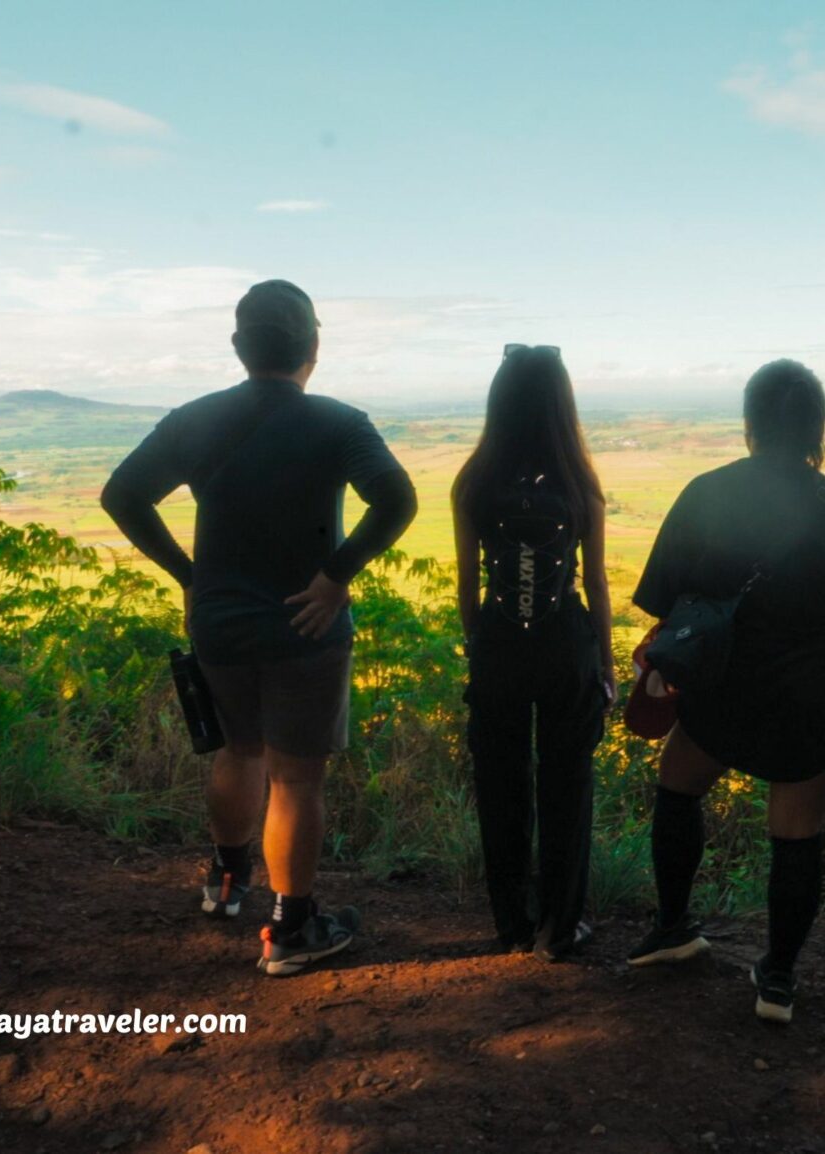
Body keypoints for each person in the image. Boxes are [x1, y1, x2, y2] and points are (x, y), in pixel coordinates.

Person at [101, 279, 417, 976]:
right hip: (306, 625)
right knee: (297, 781)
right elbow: (395, 499)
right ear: (313, 347)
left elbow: (121, 495)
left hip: (219, 623)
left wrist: (189, 576)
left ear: (240, 347)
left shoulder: (193, 419)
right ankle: (292, 930)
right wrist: (337, 577)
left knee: (238, 751)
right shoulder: (339, 422)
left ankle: (226, 880)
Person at [626, 359, 825, 1023]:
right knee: (796, 829)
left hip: (723, 692)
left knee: (677, 784)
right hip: (812, 699)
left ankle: (673, 927)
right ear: (819, 428)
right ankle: (777, 979)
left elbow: (659, 598)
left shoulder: (707, 493)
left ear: (749, 425)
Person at [451, 344, 614, 963]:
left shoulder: (475, 484)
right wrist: (603, 663)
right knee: (568, 784)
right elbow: (595, 585)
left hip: (497, 644)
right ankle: (560, 926)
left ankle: (511, 924)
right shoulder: (579, 485)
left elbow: (469, 583)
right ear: (560, 406)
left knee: (500, 781)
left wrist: (481, 645)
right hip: (566, 645)